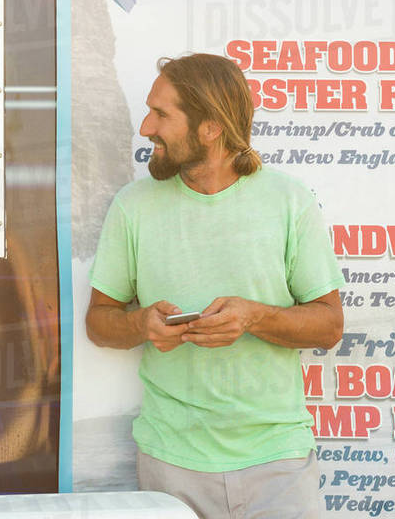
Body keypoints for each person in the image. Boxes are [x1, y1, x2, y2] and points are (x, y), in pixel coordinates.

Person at [85, 53, 345, 519]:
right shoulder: (133, 207)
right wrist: (142, 325)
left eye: (161, 114)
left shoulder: (290, 201)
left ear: (210, 128)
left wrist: (255, 317)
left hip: (277, 464)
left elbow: (328, 325)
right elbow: (100, 323)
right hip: (170, 465)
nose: (146, 127)